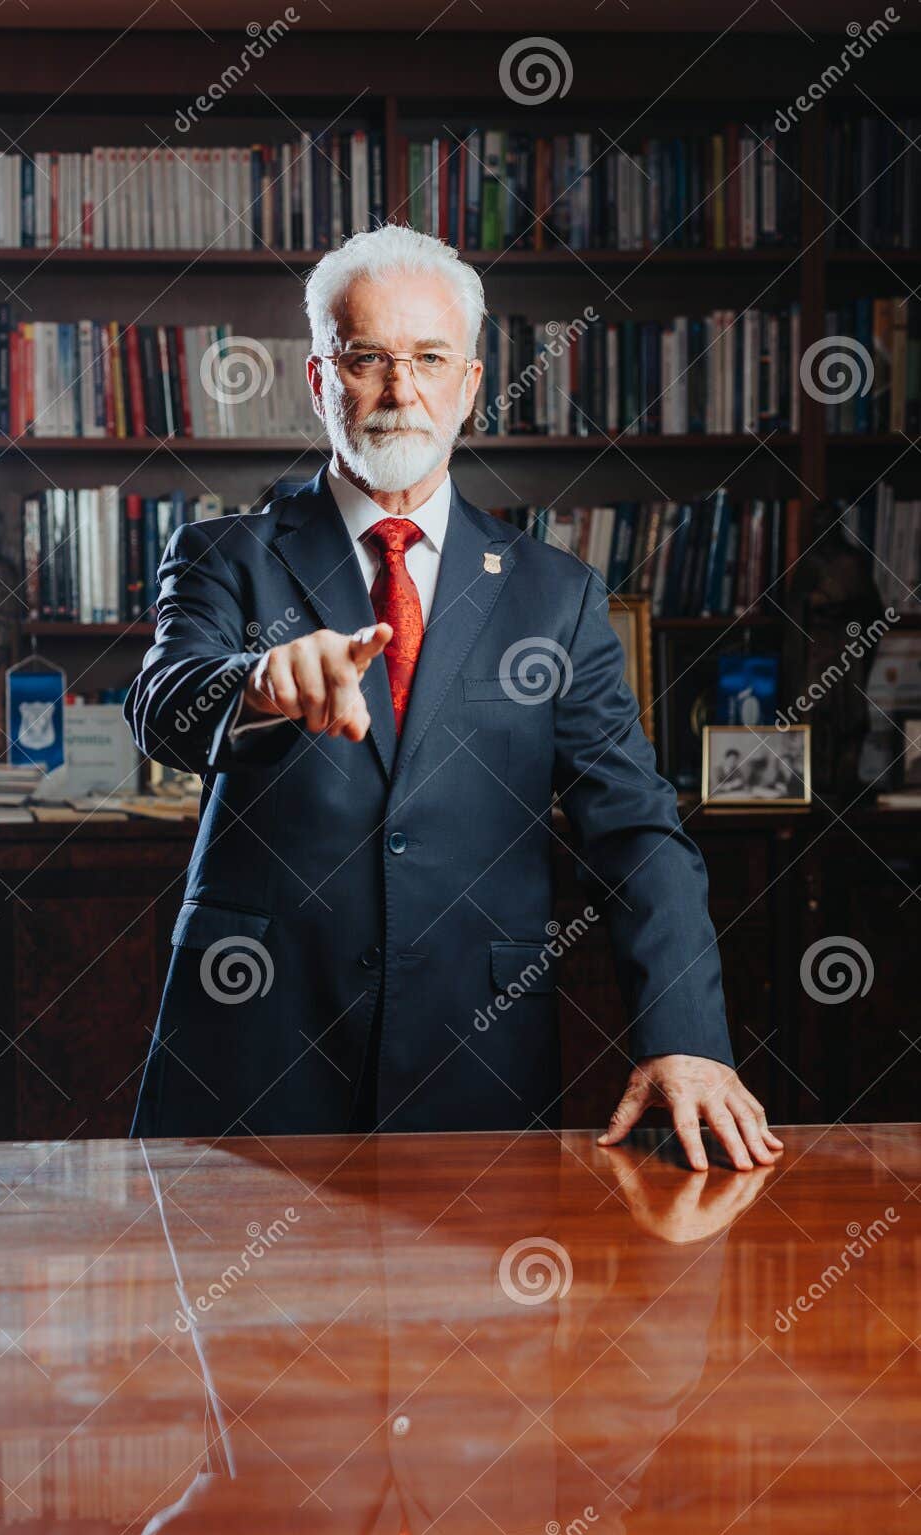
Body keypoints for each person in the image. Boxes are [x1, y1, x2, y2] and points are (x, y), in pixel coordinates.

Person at [124, 224, 778, 1171]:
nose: (400, 391)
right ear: (320, 380)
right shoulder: (225, 556)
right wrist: (258, 684)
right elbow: (166, 707)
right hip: (252, 1051)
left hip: (478, 1058)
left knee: (472, 1324)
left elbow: (634, 826)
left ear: (471, 386)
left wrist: (686, 1035)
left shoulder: (554, 594)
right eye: (367, 359)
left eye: (430, 359)